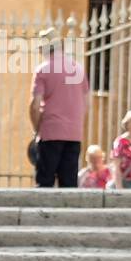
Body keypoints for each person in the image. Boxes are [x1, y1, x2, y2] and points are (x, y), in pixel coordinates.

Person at [30, 26, 90, 188]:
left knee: (45, 180)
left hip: (51, 130)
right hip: (74, 132)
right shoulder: (78, 69)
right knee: (69, 182)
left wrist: (37, 128)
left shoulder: (43, 70)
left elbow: (35, 105)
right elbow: (87, 104)